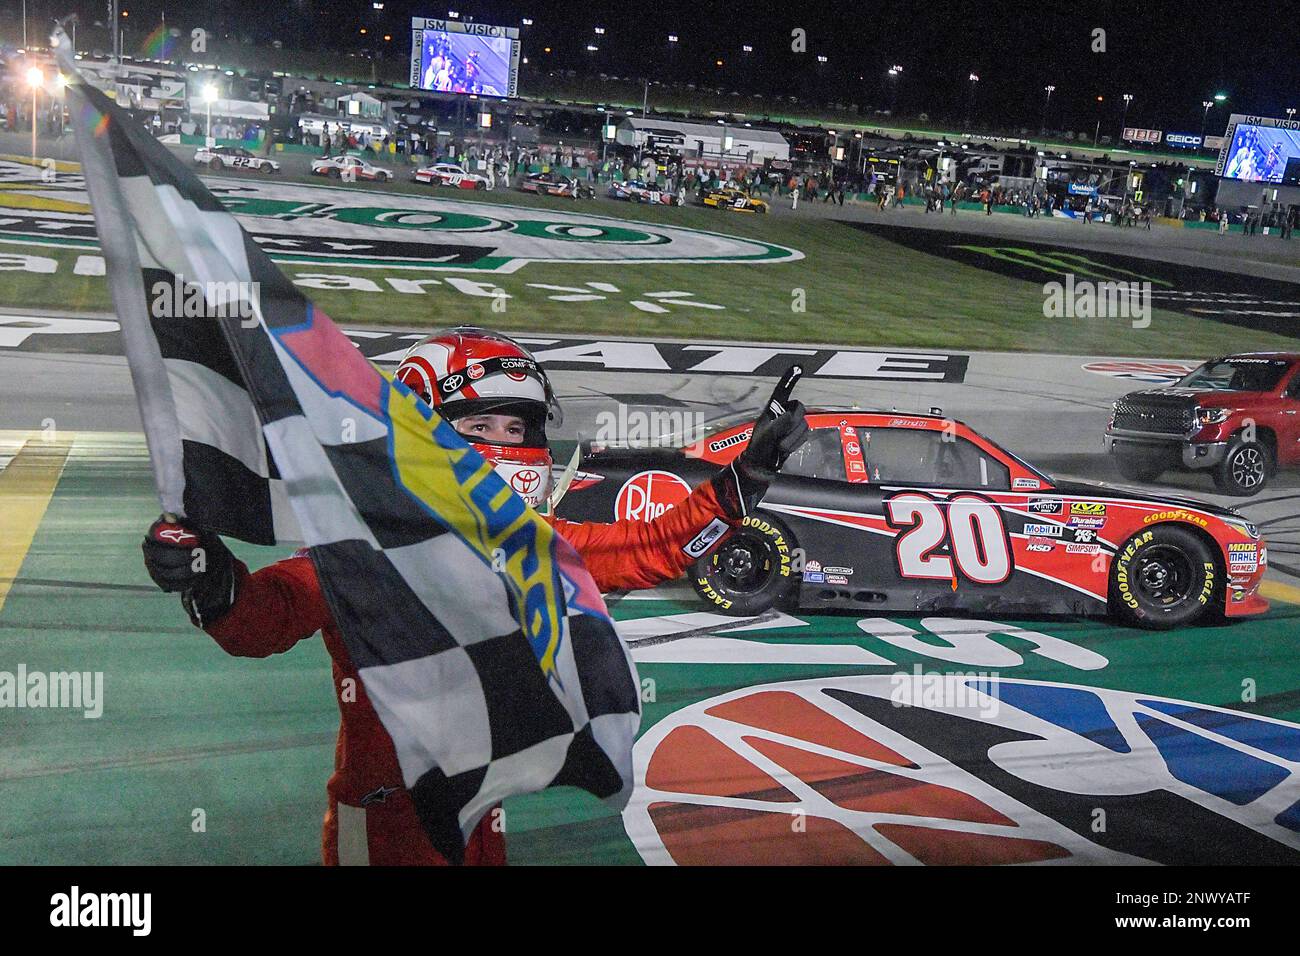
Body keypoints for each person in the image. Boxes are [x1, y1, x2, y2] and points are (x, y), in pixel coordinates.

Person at [141, 327, 807, 867]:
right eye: (483, 425)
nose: (507, 444)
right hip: (384, 829)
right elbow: (265, 620)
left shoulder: (528, 541)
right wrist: (209, 576)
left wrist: (748, 475)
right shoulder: (365, 548)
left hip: (482, 809)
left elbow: (656, 547)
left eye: (517, 428)